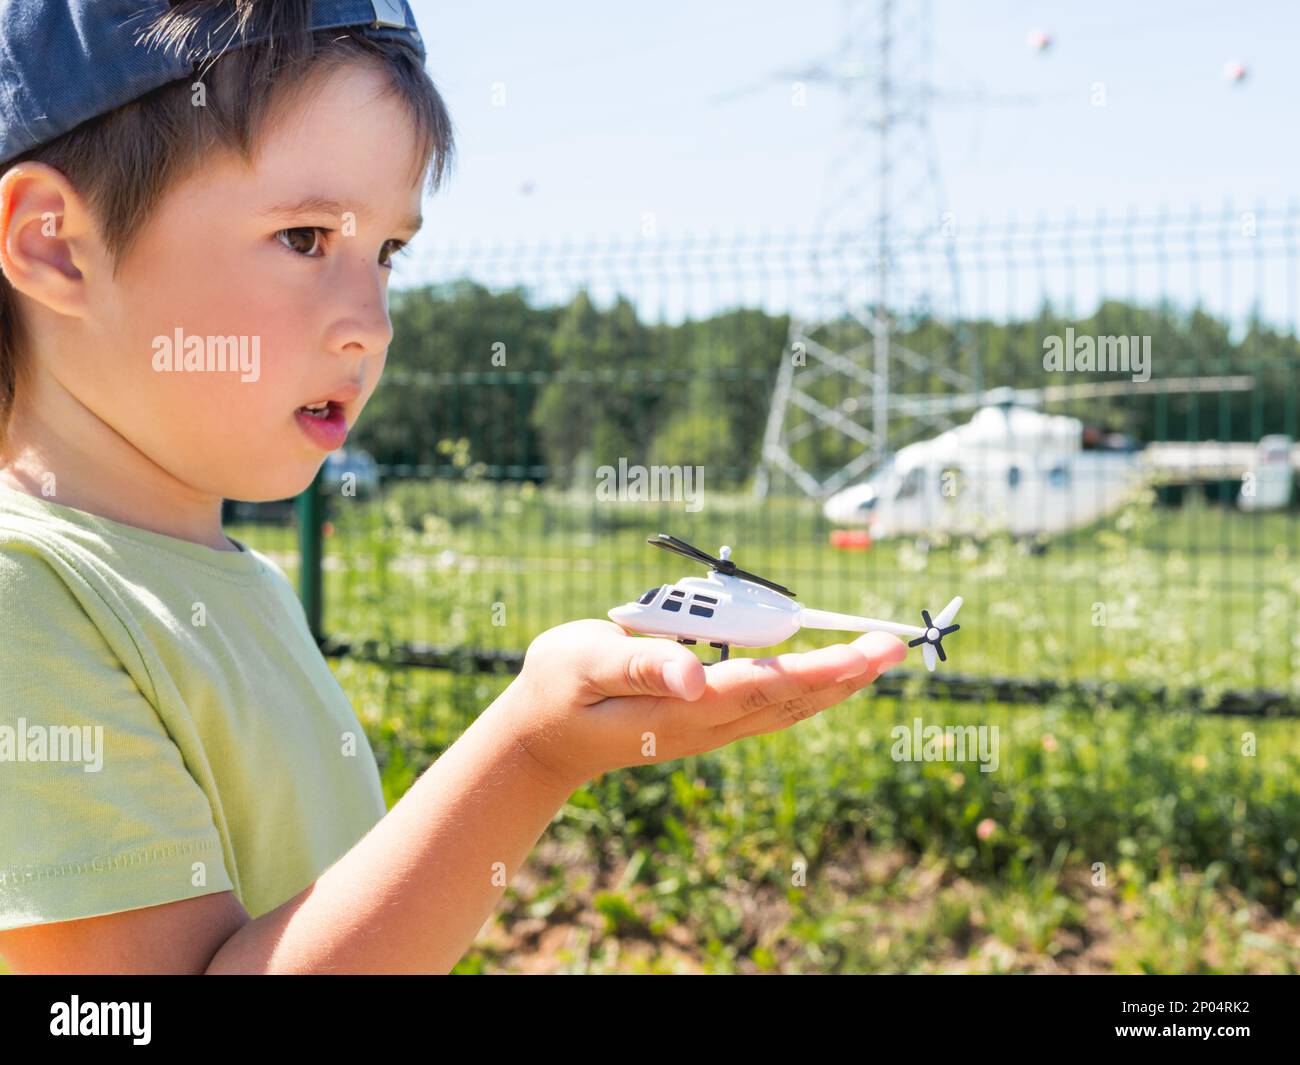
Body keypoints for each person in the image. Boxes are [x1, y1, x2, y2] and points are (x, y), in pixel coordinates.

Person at [0, 0, 906, 974]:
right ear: (54, 242)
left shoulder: (235, 580)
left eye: (388, 254)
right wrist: (530, 758)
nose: (373, 325)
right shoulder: (24, 604)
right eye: (305, 238)